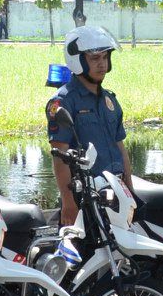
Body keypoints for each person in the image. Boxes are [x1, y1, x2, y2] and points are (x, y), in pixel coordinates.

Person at [47, 25, 129, 226]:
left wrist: (130, 190)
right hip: (84, 196)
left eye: (105, 57)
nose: (102, 64)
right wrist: (68, 203)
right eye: (95, 59)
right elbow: (60, 156)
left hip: (115, 194)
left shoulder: (109, 100)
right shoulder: (64, 101)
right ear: (78, 60)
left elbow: (120, 148)